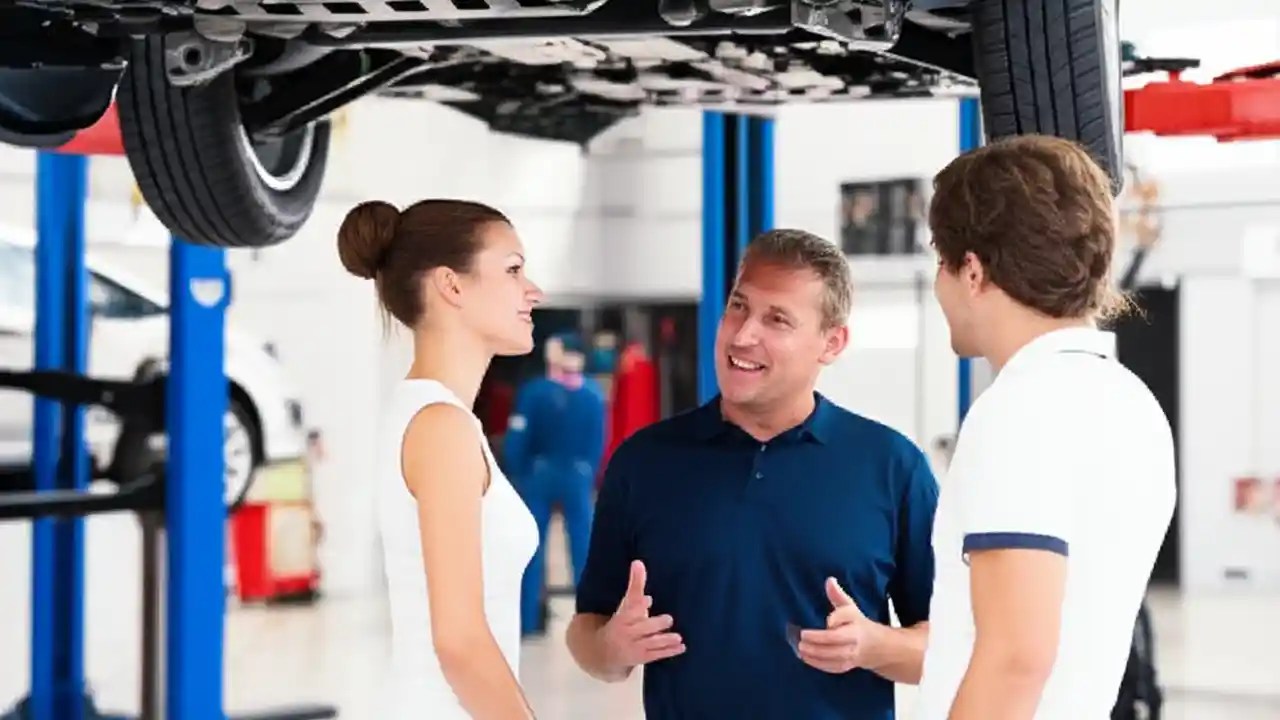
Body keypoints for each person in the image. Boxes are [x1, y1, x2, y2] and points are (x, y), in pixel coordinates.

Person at [565, 229, 940, 719]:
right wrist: (612, 649)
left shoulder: (892, 467)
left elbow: (954, 645)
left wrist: (874, 646)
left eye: (777, 319)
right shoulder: (645, 462)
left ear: (832, 342)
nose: (742, 335)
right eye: (738, 307)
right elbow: (586, 628)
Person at [914, 135, 1177, 720]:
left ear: (974, 272)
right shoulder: (1132, 403)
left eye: (941, 261)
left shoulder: (1020, 411)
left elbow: (1017, 658)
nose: (939, 285)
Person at [337, 198, 543, 719]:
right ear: (451, 285)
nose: (533, 292)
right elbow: (459, 639)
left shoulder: (439, 419)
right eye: (514, 270)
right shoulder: (441, 426)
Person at [504, 331, 607, 637]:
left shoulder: (534, 392)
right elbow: (599, 440)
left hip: (540, 473)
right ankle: (592, 622)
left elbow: (517, 438)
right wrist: (588, 471)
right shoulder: (592, 394)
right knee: (584, 550)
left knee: (532, 549)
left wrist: (519, 472)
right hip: (577, 475)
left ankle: (528, 621)